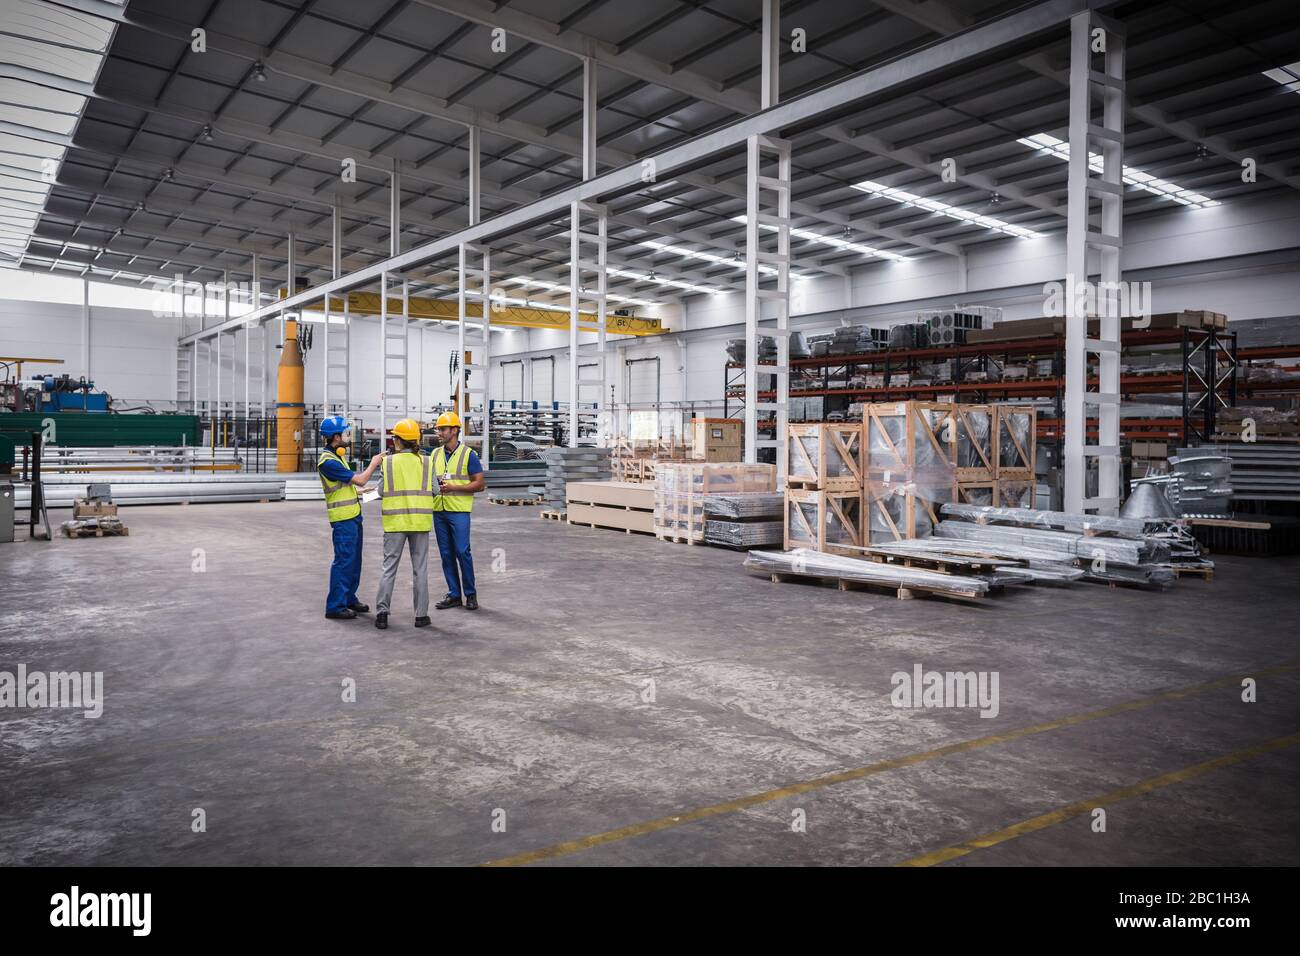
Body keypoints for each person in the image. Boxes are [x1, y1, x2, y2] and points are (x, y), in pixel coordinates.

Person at [318, 416, 384, 620]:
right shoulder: (328, 462)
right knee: (344, 561)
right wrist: (374, 463)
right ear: (336, 437)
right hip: (343, 520)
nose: (348, 436)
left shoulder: (338, 457)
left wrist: (370, 493)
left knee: (354, 560)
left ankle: (348, 598)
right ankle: (335, 606)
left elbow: (348, 489)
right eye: (345, 433)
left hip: (353, 516)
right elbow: (361, 480)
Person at [374, 418, 436, 631]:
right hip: (420, 522)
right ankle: (421, 616)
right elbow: (436, 490)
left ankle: (382, 613)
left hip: (395, 523)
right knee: (420, 570)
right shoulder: (427, 462)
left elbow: (381, 491)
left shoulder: (388, 462)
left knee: (388, 568)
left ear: (398, 441)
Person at [431, 411, 486, 611]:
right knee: (446, 554)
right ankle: (454, 594)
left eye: (442, 429)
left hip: (459, 512)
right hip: (439, 511)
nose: (439, 432)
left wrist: (454, 487)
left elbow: (480, 484)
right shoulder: (435, 454)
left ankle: (470, 594)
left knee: (462, 552)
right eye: (437, 429)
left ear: (454, 431)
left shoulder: (468, 455)